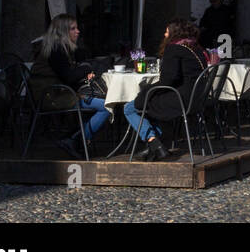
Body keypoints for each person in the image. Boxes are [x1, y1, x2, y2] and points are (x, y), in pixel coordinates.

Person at [121, 19, 207, 162]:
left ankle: (155, 143)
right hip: (196, 99)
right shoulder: (195, 48)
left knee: (130, 107)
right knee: (146, 102)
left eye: (167, 31)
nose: (164, 34)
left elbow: (168, 79)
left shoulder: (174, 49)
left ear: (174, 33)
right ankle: (156, 146)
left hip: (181, 99)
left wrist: (146, 91)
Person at [29, 14, 109, 158]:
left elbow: (68, 74)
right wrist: (86, 69)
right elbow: (68, 77)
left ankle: (73, 138)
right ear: (62, 32)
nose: (77, 31)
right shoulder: (56, 49)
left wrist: (82, 71)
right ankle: (75, 140)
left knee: (100, 102)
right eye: (73, 29)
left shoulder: (61, 48)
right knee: (106, 106)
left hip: (59, 93)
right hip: (52, 96)